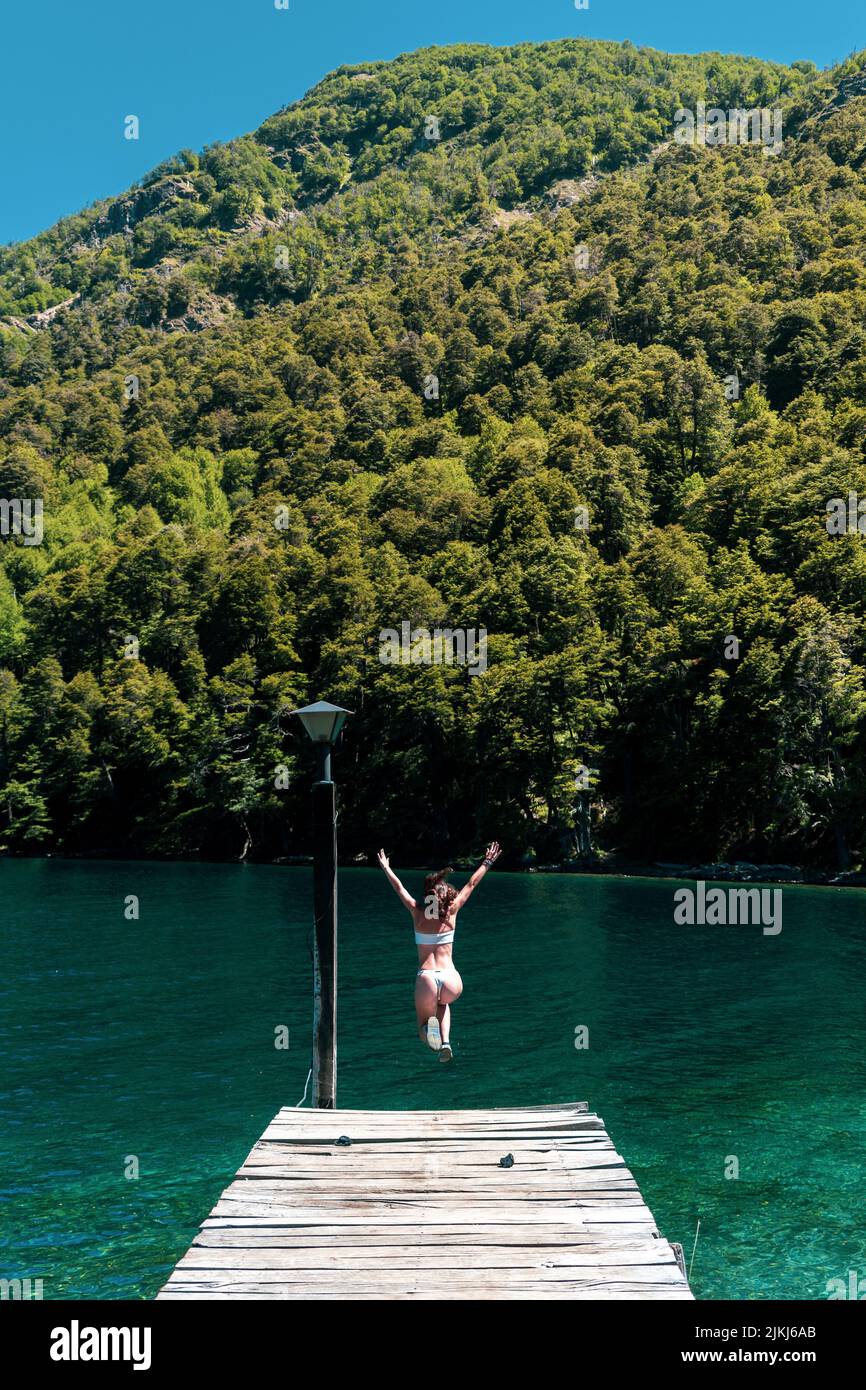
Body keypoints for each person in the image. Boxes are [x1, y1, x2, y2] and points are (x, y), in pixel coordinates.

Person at [377, 843, 502, 1063]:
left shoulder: (417, 912)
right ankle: (445, 1041)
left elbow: (399, 888)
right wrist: (487, 862)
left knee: (422, 1028)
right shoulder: (452, 911)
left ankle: (430, 1034)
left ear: (428, 897)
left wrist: (386, 868)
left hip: (427, 977)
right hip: (451, 979)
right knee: (443, 1004)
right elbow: (471, 884)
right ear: (447, 898)